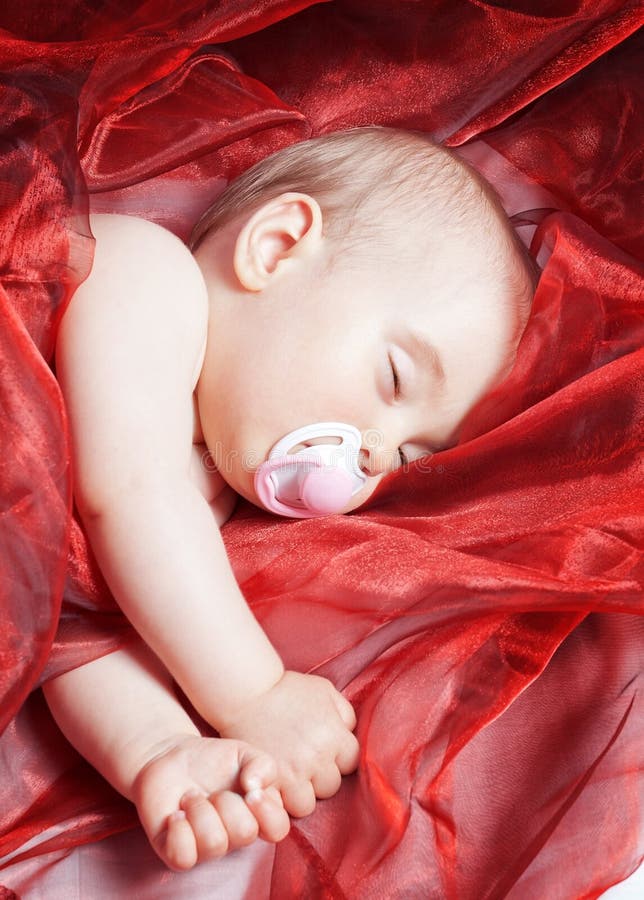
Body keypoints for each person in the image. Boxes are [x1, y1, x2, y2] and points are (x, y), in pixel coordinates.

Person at [43, 127, 537, 871]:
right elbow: (127, 496)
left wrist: (158, 749)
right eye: (396, 380)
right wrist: (254, 693)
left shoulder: (201, 492)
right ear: (274, 249)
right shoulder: (144, 277)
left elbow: (65, 630)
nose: (376, 453)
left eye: (409, 453)